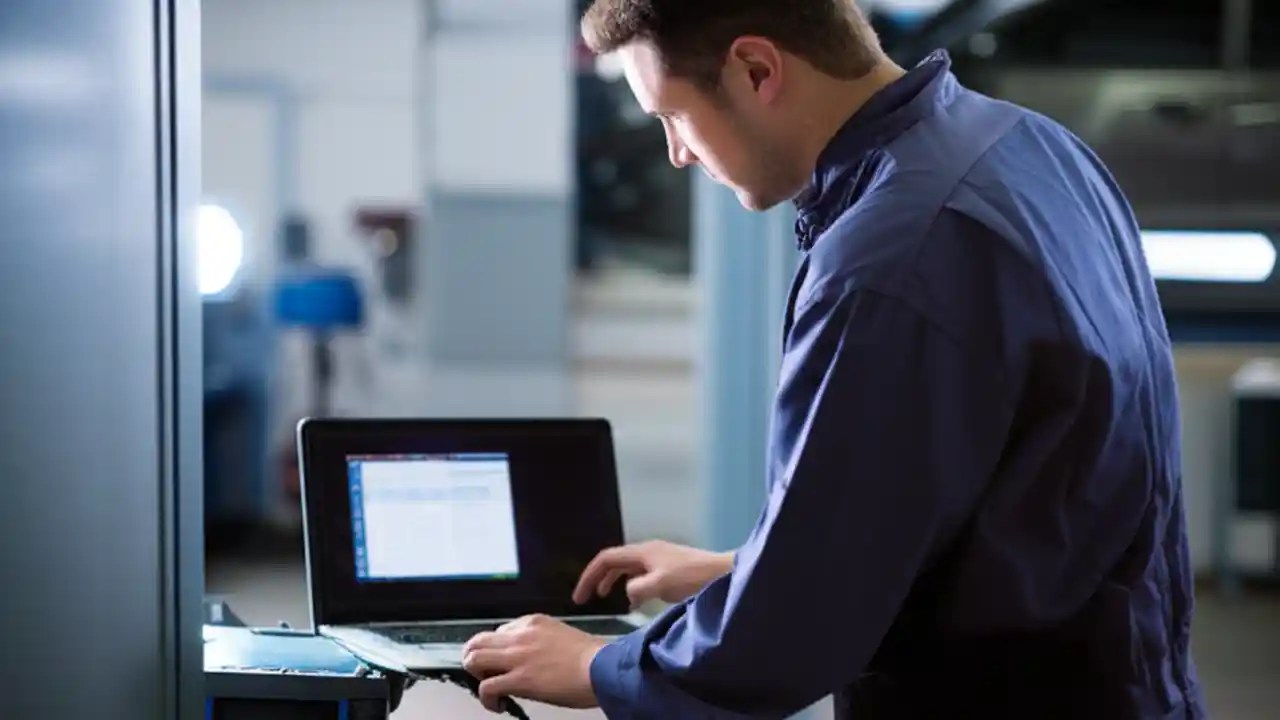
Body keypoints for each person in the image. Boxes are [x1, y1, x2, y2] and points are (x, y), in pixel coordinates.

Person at [462, 1, 1207, 717]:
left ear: (756, 70)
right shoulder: (1031, 145)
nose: (678, 154)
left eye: (672, 116)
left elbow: (793, 635)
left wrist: (598, 666)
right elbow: (1001, 495)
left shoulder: (890, 260)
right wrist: (742, 571)